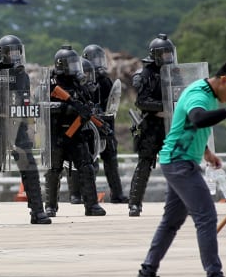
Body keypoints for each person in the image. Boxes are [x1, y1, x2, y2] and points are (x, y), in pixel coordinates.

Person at [133, 62, 226, 277]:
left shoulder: (208, 94)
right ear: (225, 81)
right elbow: (198, 118)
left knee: (171, 222)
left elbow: (191, 127)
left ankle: (146, 273)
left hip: (181, 160)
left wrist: (206, 153)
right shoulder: (198, 94)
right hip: (179, 163)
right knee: (206, 217)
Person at [0, 35, 51, 225]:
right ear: (2, 53)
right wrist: (1, 108)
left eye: (18, 51)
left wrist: (32, 114)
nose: (15, 56)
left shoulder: (22, 74)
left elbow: (25, 100)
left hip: (18, 126)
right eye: (11, 52)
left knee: (29, 168)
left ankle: (37, 211)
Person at [43, 45, 107, 217]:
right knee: (54, 170)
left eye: (75, 63)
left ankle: (91, 205)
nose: (74, 67)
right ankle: (50, 206)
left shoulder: (78, 83)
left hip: (76, 132)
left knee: (86, 167)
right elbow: (41, 105)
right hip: (56, 133)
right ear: (61, 64)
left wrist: (90, 113)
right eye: (70, 64)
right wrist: (66, 108)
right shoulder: (50, 83)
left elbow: (88, 103)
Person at [128, 34, 175, 217]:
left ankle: (175, 204)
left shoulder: (174, 71)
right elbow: (141, 102)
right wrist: (163, 107)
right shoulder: (146, 74)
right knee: (144, 164)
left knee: (176, 163)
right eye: (164, 54)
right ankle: (134, 204)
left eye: (169, 53)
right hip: (151, 126)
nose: (167, 57)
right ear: (155, 55)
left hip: (171, 123)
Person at [84, 44, 128, 203]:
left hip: (106, 125)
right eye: (94, 59)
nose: (97, 63)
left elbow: (111, 105)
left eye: (99, 59)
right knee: (88, 163)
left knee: (111, 160)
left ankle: (117, 194)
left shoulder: (106, 81)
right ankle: (86, 197)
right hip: (89, 126)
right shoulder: (82, 82)